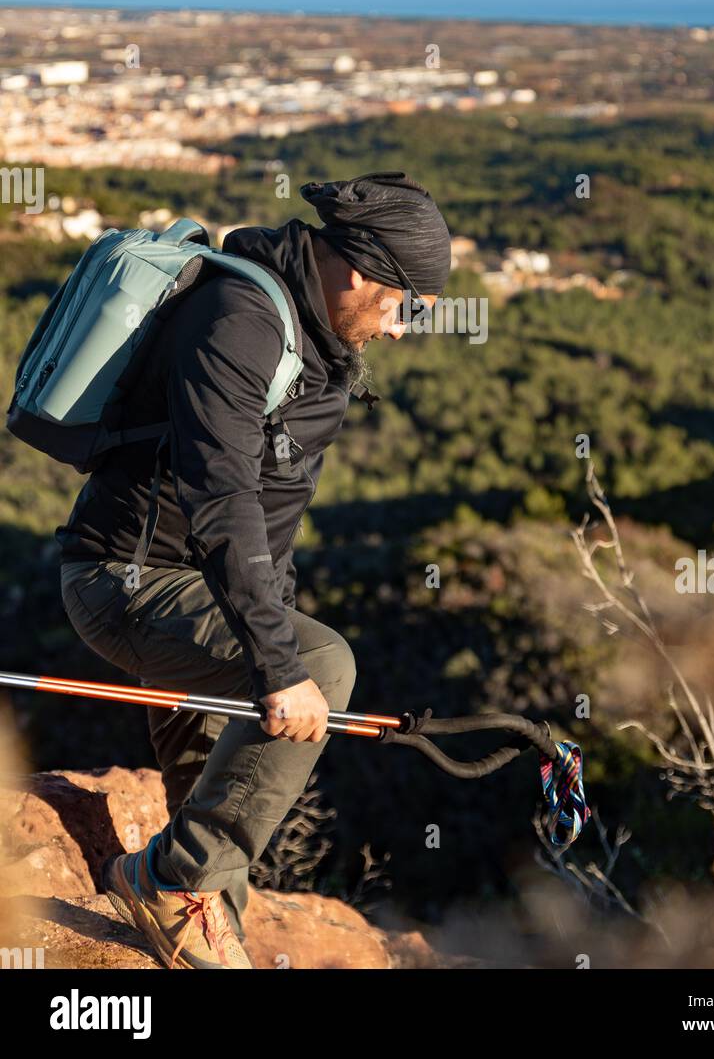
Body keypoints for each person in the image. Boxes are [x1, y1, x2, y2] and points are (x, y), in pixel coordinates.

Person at [56, 172, 451, 969]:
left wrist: (263, 640)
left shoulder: (318, 333)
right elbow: (223, 499)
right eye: (404, 305)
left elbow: (273, 517)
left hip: (200, 586)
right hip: (123, 583)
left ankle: (199, 917)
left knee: (217, 779)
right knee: (320, 663)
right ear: (358, 271)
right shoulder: (240, 320)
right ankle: (168, 885)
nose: (404, 329)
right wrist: (276, 662)